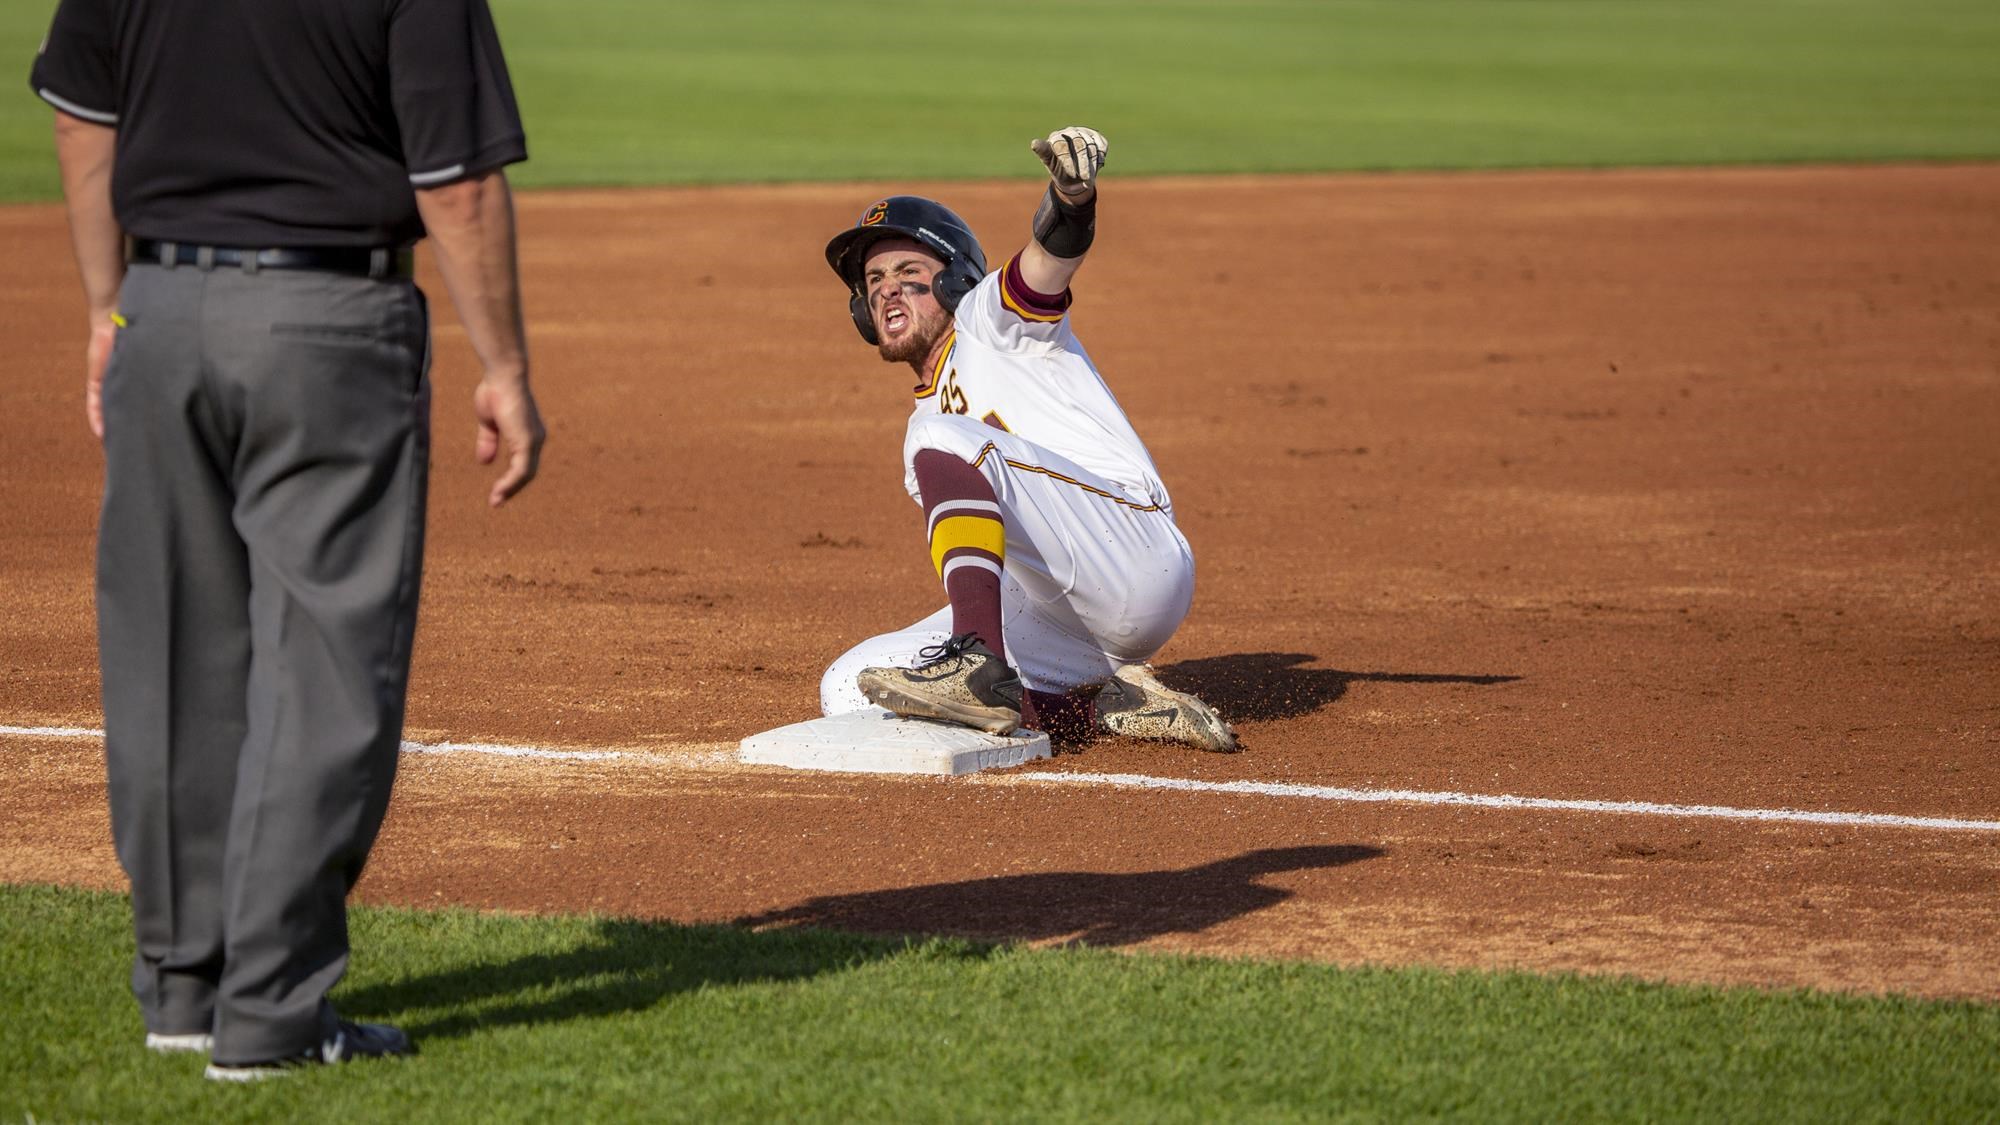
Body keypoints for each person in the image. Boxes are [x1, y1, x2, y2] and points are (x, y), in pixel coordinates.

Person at [30, 0, 543, 1081]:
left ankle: (182, 988)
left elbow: (83, 123)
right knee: (321, 668)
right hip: (328, 321)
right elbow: (456, 182)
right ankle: (267, 1013)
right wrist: (503, 367)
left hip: (159, 314)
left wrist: (104, 309)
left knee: (166, 654)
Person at [818, 126, 1236, 753]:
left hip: (1134, 555)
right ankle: (1107, 707)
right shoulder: (927, 425)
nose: (886, 288)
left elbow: (1047, 262)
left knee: (940, 437)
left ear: (957, 281)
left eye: (909, 270)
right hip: (1059, 614)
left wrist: (1070, 200)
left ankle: (975, 664)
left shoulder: (990, 320)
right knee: (850, 685)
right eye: (873, 279)